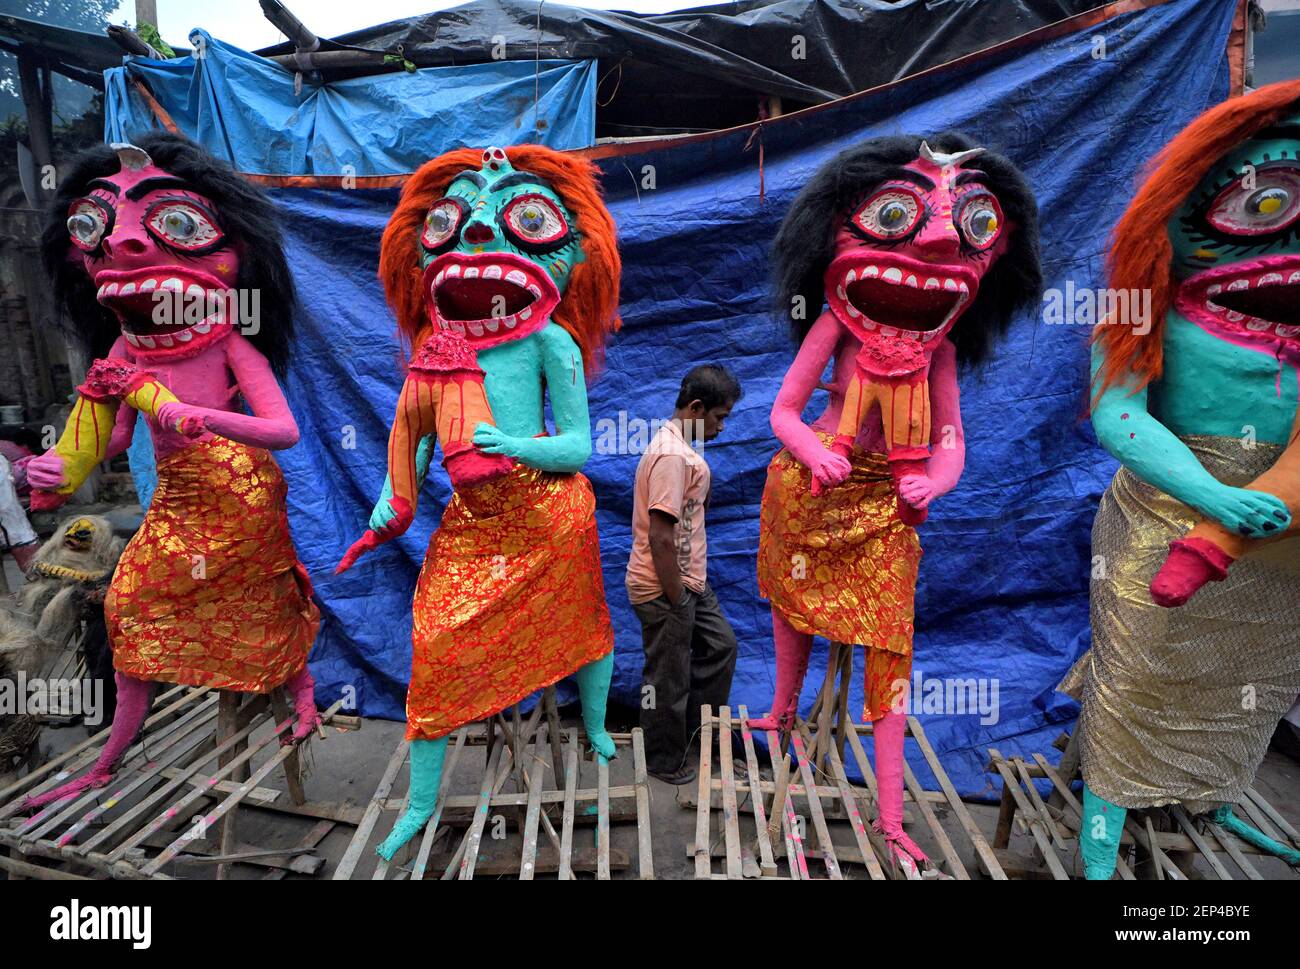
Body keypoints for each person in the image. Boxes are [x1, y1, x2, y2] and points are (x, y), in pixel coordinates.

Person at [626, 364, 742, 783]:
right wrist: (677, 600)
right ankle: (661, 759)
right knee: (667, 678)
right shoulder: (672, 457)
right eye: (719, 417)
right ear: (695, 408)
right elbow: (660, 537)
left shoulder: (682, 450)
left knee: (721, 647)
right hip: (664, 586)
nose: (722, 427)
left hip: (690, 582)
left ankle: (695, 739)